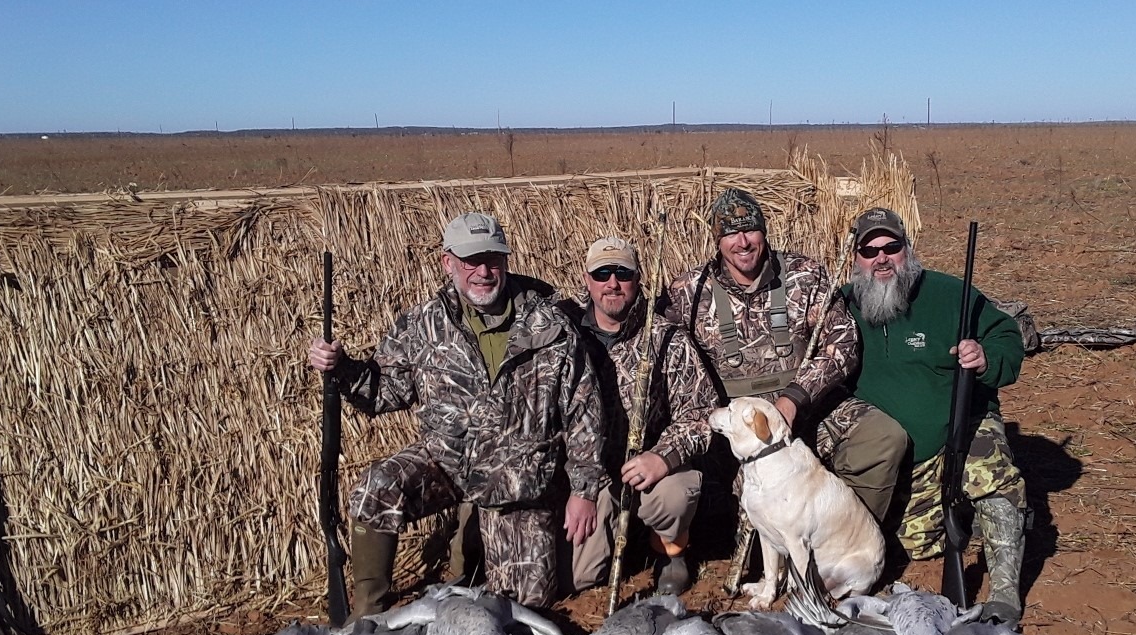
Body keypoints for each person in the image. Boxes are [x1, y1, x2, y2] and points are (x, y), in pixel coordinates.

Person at [306, 212, 605, 611]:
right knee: (375, 487)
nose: (483, 271)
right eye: (470, 260)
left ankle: (475, 550)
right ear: (448, 262)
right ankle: (367, 616)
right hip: (447, 463)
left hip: (517, 480)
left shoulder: (550, 325)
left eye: (493, 259)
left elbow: (585, 411)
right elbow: (384, 392)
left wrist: (584, 491)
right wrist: (341, 368)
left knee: (521, 609)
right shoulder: (424, 323)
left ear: (506, 260)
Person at [660, 188, 908, 526]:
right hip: (737, 429)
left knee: (883, 437)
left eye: (750, 229)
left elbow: (844, 342)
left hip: (806, 412)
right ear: (718, 240)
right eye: (731, 232)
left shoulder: (804, 275)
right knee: (747, 520)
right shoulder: (688, 290)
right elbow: (667, 357)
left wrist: (794, 398)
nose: (743, 241)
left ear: (764, 232)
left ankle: (844, 536)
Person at [840, 207, 1030, 622]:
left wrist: (985, 357)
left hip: (963, 429)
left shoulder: (949, 295)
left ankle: (1003, 593)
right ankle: (963, 516)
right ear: (855, 257)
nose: (881, 258)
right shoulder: (842, 307)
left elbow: (1007, 337)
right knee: (914, 542)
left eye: (893, 246)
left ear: (908, 249)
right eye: (869, 250)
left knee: (992, 474)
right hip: (902, 456)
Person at [561, 236, 721, 595]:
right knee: (580, 580)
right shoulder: (565, 338)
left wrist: (662, 457)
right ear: (587, 281)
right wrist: (580, 483)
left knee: (675, 495)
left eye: (623, 273)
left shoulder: (666, 338)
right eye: (602, 273)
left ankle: (669, 549)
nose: (612, 283)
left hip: (648, 474)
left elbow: (701, 413)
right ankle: (620, 538)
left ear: (639, 279)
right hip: (592, 478)